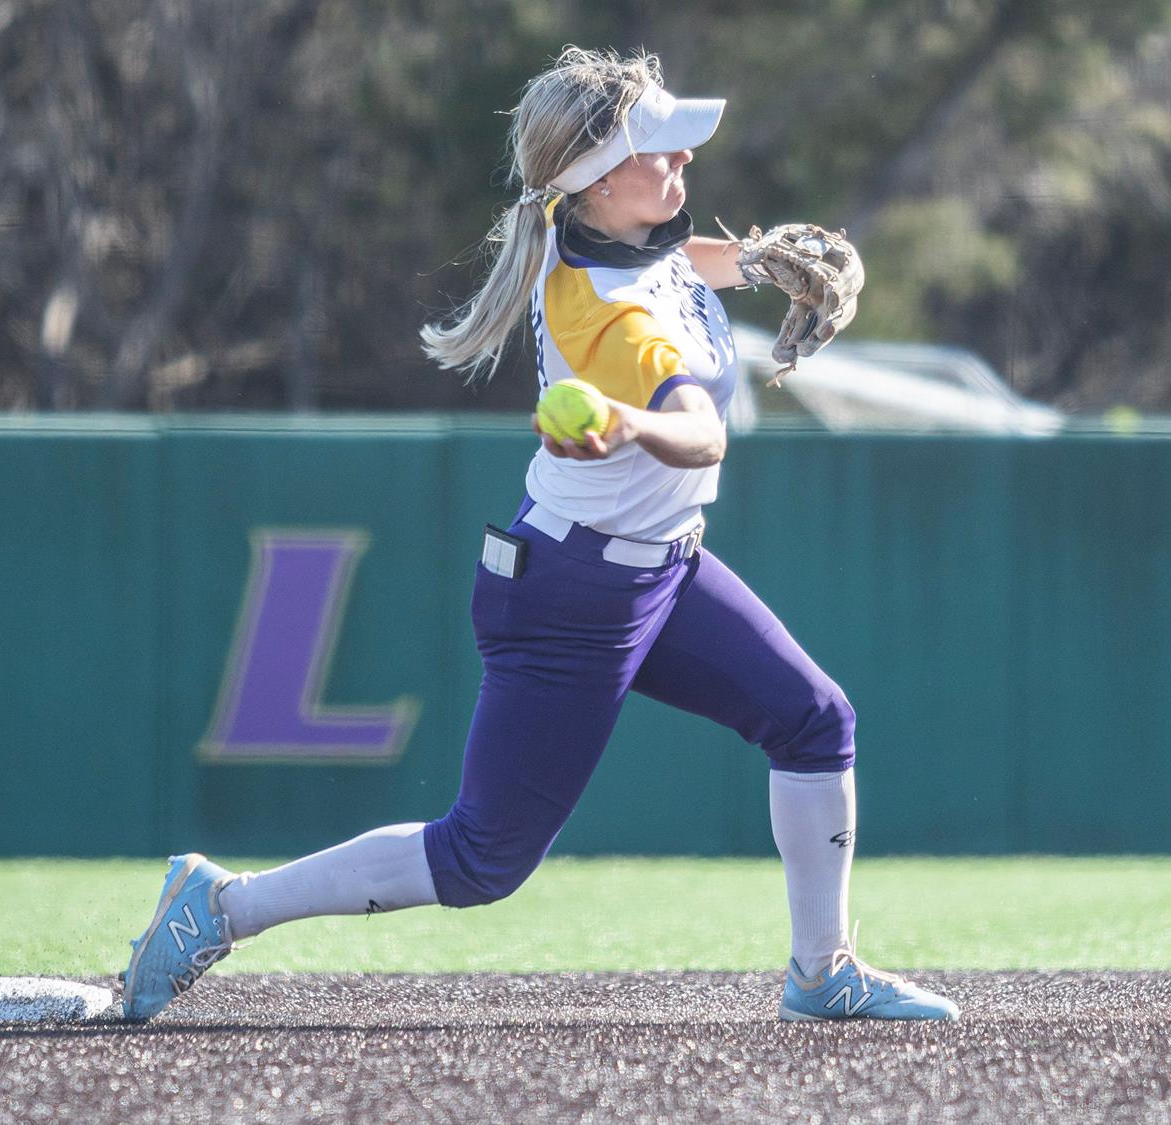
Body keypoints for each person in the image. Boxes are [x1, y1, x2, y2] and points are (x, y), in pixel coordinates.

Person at [121, 47, 958, 1024]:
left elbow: (674, 261)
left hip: (659, 569)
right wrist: (634, 421)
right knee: (481, 857)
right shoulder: (606, 311)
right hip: (571, 594)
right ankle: (220, 906)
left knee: (814, 720)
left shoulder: (600, 233)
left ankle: (821, 972)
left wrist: (755, 261)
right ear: (596, 180)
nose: (684, 162)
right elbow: (702, 432)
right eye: (658, 151)